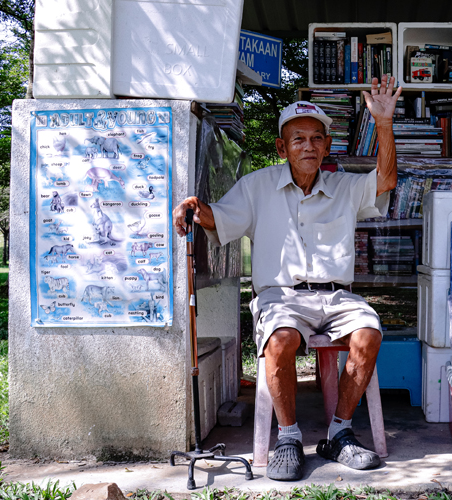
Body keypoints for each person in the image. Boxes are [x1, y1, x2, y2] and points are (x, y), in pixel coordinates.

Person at [172, 75, 402, 481]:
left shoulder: (344, 187)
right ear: (282, 147)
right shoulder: (257, 186)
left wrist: (383, 122)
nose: (309, 146)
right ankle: (289, 437)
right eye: (299, 139)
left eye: (317, 138)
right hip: (281, 297)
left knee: (369, 333)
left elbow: (385, 181)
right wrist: (195, 207)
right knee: (280, 341)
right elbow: (220, 219)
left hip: (337, 297)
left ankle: (339, 432)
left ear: (327, 146)